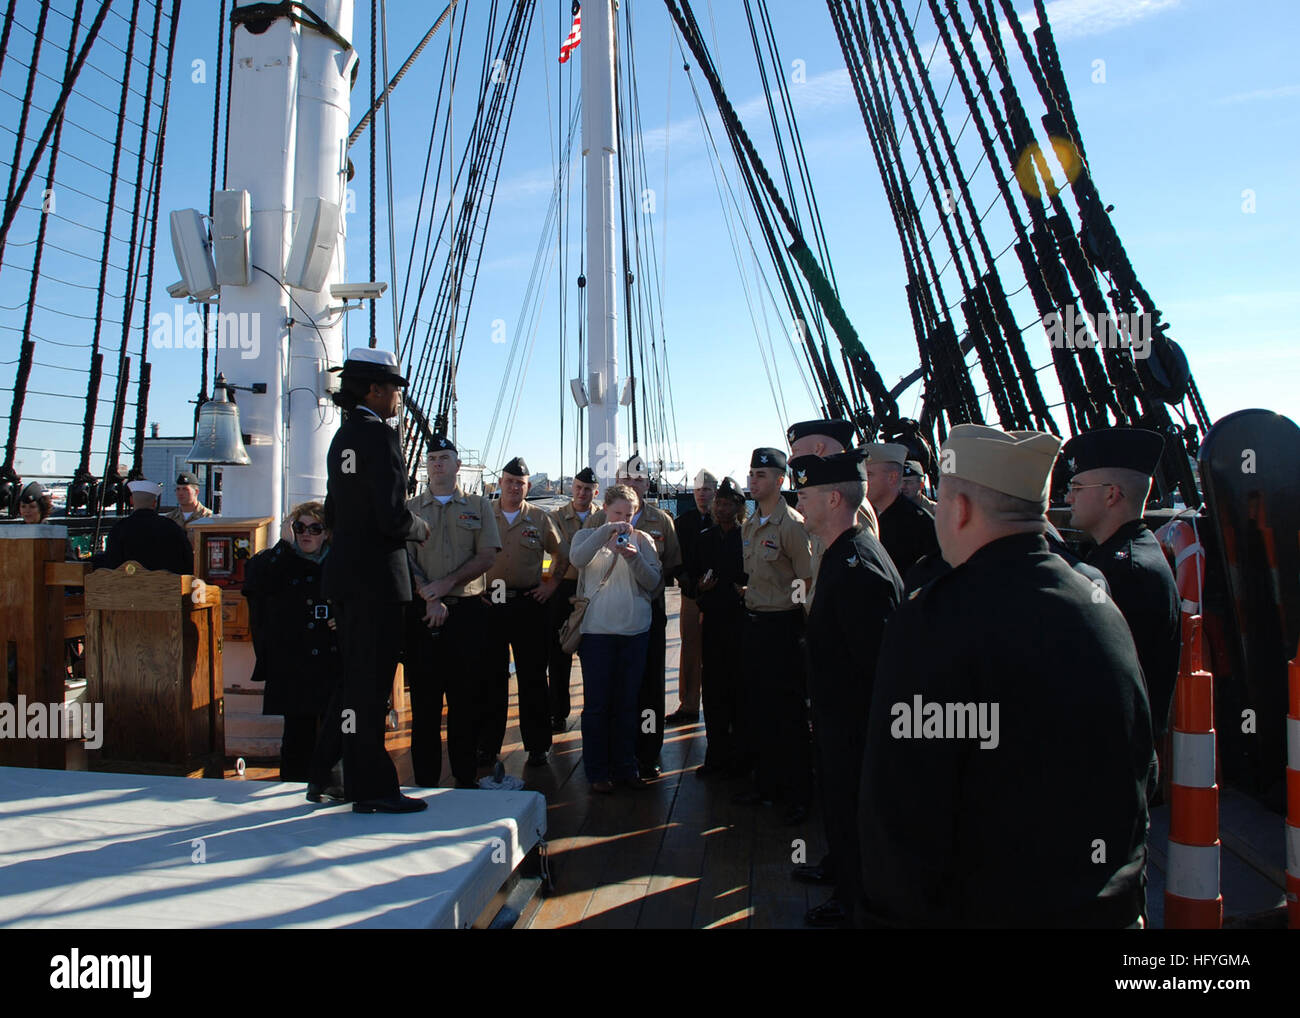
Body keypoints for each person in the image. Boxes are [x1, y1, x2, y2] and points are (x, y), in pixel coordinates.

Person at [860, 424, 1153, 927]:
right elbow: (1139, 763)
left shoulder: (934, 621)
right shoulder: (1098, 600)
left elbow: (901, 807)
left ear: (960, 509)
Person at [314, 347, 431, 815]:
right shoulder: (381, 438)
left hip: (345, 578)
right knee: (371, 688)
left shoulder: (342, 438)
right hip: (377, 583)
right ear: (374, 391)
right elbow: (391, 516)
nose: (399, 399)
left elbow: (332, 512)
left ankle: (329, 774)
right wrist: (418, 528)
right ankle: (374, 788)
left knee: (352, 683)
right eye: (393, 390)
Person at [791, 452, 903, 928]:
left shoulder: (858, 567)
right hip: (839, 715)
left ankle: (855, 898)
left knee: (852, 803)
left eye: (805, 494)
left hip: (856, 723)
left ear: (833, 498)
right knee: (838, 803)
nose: (798, 502)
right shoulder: (843, 554)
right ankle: (841, 869)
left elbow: (876, 665)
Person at [1062, 427, 1179, 741]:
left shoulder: (1124, 572)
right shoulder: (1131, 555)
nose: (1068, 497)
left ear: (1111, 494)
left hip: (1114, 756)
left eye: (1076, 486)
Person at [405, 436, 500, 788]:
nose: (437, 464)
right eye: (432, 458)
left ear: (458, 465)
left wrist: (446, 585)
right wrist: (428, 595)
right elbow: (404, 557)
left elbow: (487, 554)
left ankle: (464, 777)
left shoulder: (479, 507)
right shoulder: (410, 509)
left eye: (444, 457)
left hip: (467, 614)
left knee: (466, 701)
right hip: (424, 613)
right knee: (425, 704)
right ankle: (425, 781)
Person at [583, 456, 682, 778]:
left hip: (644, 618)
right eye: (629, 478)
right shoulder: (594, 525)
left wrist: (638, 561)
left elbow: (667, 570)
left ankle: (646, 754)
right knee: (602, 699)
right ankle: (602, 765)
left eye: (641, 479)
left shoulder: (659, 523)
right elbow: (578, 559)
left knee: (646, 692)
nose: (635, 483)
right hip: (601, 624)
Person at [735, 447, 814, 825]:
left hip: (784, 628)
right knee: (759, 709)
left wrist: (799, 623)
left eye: (761, 475)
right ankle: (766, 783)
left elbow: (806, 579)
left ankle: (798, 794)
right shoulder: (751, 523)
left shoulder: (793, 525)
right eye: (751, 474)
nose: (753, 480)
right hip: (755, 625)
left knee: (790, 714)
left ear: (780, 480)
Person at [568, 484, 663, 792]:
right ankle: (596, 772)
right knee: (597, 705)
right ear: (605, 509)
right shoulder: (587, 536)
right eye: (617, 513)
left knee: (627, 704)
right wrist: (605, 532)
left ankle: (626, 766)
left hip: (634, 633)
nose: (624, 520)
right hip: (597, 634)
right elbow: (578, 559)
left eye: (629, 515)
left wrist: (634, 557)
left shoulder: (643, 540)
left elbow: (653, 583)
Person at [242, 501, 342, 790]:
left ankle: (332, 787)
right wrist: (283, 545)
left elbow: (362, 596)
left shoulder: (339, 563)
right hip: (294, 665)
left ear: (327, 532)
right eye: (300, 528)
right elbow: (255, 580)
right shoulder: (278, 561)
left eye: (315, 528)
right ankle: (293, 789)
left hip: (331, 661)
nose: (306, 534)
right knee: (297, 734)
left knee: (335, 733)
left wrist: (343, 617)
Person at [480, 456, 566, 767]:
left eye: (521, 483)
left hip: (528, 603)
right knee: (491, 678)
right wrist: (476, 591)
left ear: (528, 487)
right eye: (510, 481)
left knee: (532, 676)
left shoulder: (540, 520)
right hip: (490, 603)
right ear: (500, 482)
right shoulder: (483, 515)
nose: (515, 487)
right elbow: (468, 554)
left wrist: (551, 586)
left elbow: (561, 555)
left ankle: (538, 745)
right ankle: (487, 746)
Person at [691, 476, 747, 777]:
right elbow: (693, 577)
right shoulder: (705, 539)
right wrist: (700, 586)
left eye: (728, 504)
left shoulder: (747, 537)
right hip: (713, 622)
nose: (722, 509)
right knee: (713, 692)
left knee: (740, 690)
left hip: (740, 622)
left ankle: (741, 758)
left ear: (739, 507)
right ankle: (716, 756)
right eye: (719, 503)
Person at [547, 466, 598, 733]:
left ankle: (594, 707)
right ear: (572, 489)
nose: (582, 493)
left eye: (588, 489)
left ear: (595, 492)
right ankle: (557, 712)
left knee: (593, 651)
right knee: (558, 652)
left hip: (592, 589)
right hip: (563, 589)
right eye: (578, 487)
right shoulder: (555, 518)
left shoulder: (602, 518)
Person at [667, 469, 717, 724]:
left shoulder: (724, 522)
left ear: (715, 492)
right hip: (690, 595)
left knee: (718, 652)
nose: (701, 495)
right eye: (697, 490)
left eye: (706, 490)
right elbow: (674, 555)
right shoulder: (683, 522)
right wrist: (683, 576)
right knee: (689, 649)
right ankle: (688, 704)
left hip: (718, 599)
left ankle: (718, 707)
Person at [862, 441, 939, 577]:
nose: (864, 481)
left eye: (869, 475)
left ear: (892, 477)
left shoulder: (916, 524)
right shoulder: (873, 516)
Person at [91, 479, 194, 574]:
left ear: (131, 501)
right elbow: (188, 562)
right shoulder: (172, 527)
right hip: (168, 590)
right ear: (154, 503)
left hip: (128, 589)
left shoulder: (119, 529)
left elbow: (111, 564)